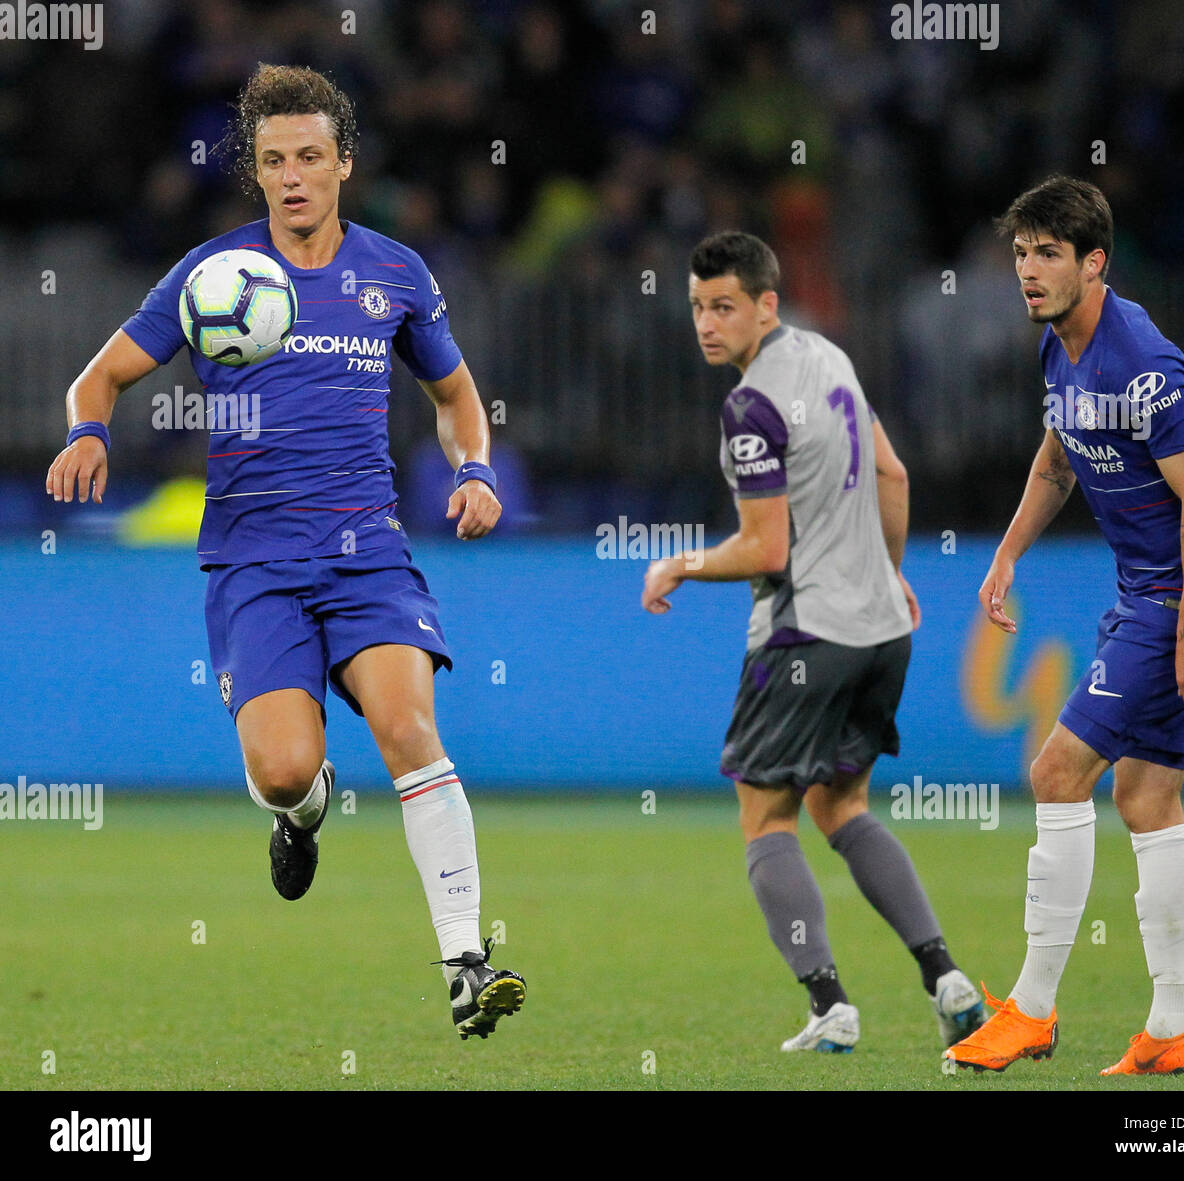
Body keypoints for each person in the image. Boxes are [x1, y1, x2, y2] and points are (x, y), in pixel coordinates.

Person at [44, 64, 525, 1042]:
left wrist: (474, 470)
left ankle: (464, 963)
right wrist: (88, 432)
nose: (293, 176)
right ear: (255, 174)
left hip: (367, 555)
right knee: (280, 766)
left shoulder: (396, 274)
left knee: (409, 729)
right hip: (254, 562)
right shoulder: (211, 278)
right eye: (273, 162)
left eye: (311, 156)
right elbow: (99, 378)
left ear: (345, 163)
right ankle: (300, 811)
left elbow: (456, 399)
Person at [642, 230, 983, 1053]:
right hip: (881, 632)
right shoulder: (829, 358)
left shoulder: (749, 407)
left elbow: (766, 549)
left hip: (805, 637)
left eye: (724, 306)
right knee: (842, 803)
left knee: (766, 818)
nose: (707, 323)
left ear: (767, 304)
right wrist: (887, 572)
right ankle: (946, 977)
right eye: (696, 307)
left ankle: (828, 1003)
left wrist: (680, 563)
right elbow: (894, 476)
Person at [945, 175, 1184, 1076]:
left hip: (1179, 597)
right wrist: (1006, 553)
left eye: (1047, 254)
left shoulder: (1143, 363)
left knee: (1055, 771)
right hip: (1158, 594)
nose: (1029, 272)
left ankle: (1031, 1011)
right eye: (1019, 254)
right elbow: (1058, 457)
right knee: (1146, 797)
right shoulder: (1060, 350)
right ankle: (1174, 1028)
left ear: (1095, 263)